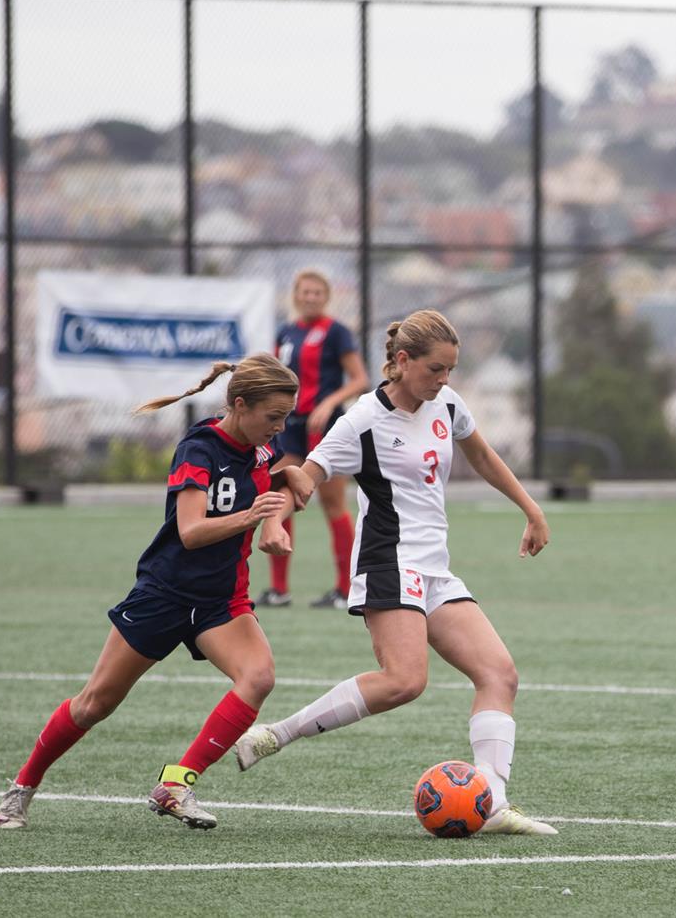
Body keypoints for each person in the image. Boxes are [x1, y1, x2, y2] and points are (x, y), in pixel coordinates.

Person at [233, 309, 560, 835]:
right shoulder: (362, 420)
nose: (445, 381)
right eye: (436, 369)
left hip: (434, 568)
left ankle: (493, 802)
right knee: (405, 681)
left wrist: (532, 509)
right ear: (402, 362)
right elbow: (305, 478)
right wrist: (273, 523)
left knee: (500, 674)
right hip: (388, 562)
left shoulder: (446, 403)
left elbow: (482, 455)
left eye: (451, 370)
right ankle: (276, 734)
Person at [0, 354, 299, 832]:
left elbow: (276, 478)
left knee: (258, 676)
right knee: (95, 703)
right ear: (240, 405)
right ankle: (23, 786)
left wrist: (281, 507)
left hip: (221, 601)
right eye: (273, 417)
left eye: (286, 418)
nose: (280, 429)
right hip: (165, 594)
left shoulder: (260, 449)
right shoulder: (199, 449)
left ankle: (176, 783)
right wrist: (256, 517)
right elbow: (192, 531)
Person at [258, 269, 369, 610]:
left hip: (326, 429)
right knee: (277, 496)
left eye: (317, 293)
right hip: (291, 430)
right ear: (295, 295)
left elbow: (360, 379)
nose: (310, 297)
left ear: (326, 297)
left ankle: (345, 589)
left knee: (333, 504)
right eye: (305, 292)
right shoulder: (286, 333)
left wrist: (330, 402)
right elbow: (279, 378)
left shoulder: (336, 332)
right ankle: (279, 590)